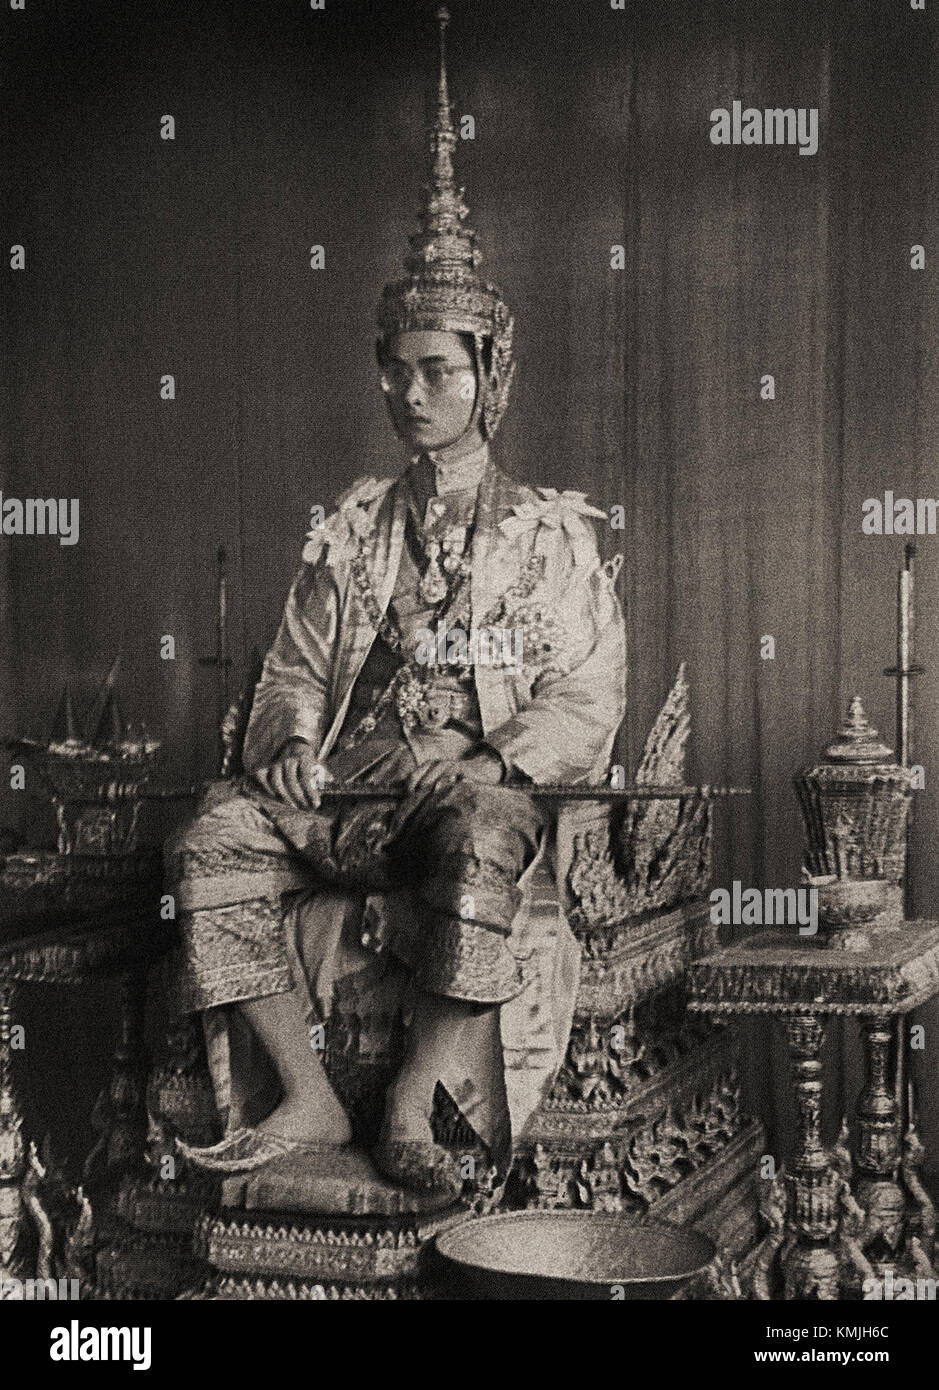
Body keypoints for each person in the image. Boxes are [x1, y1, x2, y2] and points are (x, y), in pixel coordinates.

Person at [167, 6, 626, 1199]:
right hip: (346, 798)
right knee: (212, 831)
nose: (410, 392)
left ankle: (425, 1097)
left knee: (481, 836)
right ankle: (304, 1090)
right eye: (396, 369)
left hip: (456, 804)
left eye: (437, 371)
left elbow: (588, 690)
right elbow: (293, 670)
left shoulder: (549, 534)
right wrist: (280, 746)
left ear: (491, 376)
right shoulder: (351, 523)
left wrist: (484, 747)